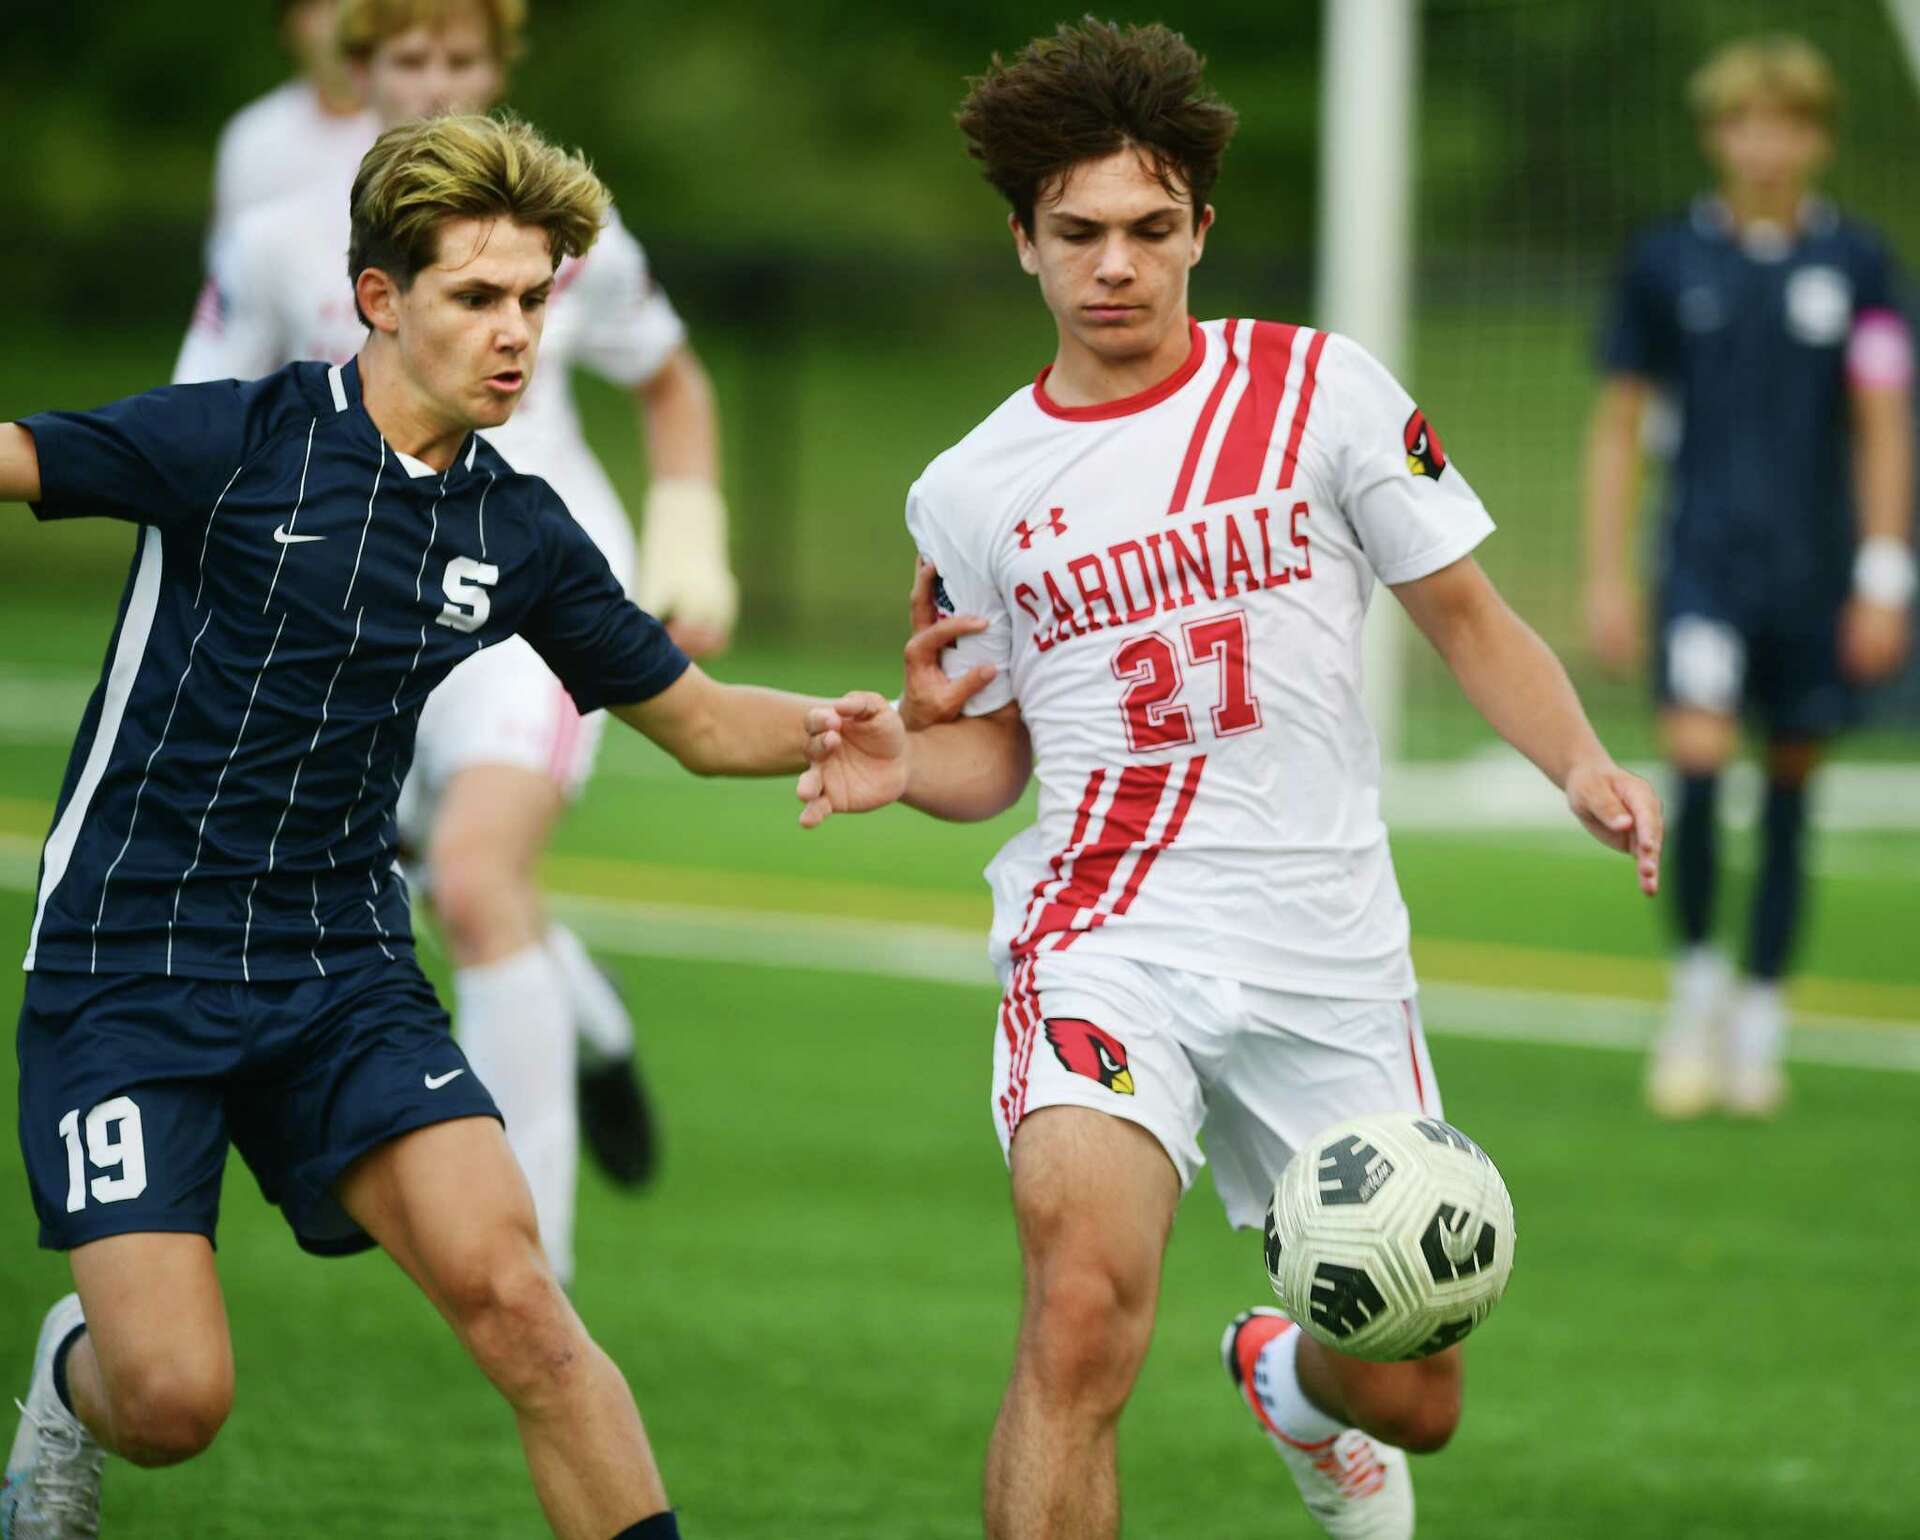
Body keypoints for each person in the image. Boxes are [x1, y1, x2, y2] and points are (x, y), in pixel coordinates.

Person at [796, 21, 1662, 1540]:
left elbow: (1467, 617)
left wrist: (1581, 763)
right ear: (1025, 244)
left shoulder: (1322, 393)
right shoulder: (972, 488)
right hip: (1105, 937)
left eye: (1147, 230)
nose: (1114, 266)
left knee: (1416, 1396)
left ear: (1200, 225)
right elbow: (992, 754)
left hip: (1327, 945)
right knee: (1078, 1316)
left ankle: (1304, 1392)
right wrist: (903, 764)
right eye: (1077, 235)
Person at [0, 111, 894, 1540]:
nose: (516, 334)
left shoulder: (519, 529)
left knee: (521, 1305)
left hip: (339, 974)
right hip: (127, 964)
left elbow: (704, 719)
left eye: (535, 299)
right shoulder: (234, 439)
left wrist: (864, 735)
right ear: (381, 298)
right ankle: (68, 1376)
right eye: (477, 296)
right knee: (171, 1402)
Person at [177, 0, 742, 1275]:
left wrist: (687, 542)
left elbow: (671, 379)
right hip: (341, 621)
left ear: (501, 69)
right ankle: (580, 1010)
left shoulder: (558, 233)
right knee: (421, 886)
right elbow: (202, 420)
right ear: (357, 66)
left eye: (463, 59)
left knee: (479, 883)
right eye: (410, 58)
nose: (436, 81)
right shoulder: (276, 239)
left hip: (519, 607)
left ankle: (524, 1259)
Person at [1582, 34, 1914, 1120]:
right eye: (1744, 123)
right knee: (1697, 767)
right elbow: (1618, 422)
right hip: (1703, 567)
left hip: (1814, 578)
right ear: (1717, 135)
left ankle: (1762, 1019)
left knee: (1789, 791)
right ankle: (1694, 999)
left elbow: (1881, 422)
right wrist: (1608, 576)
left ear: (1816, 137)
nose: (1764, 144)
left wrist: (1882, 574)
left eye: (1786, 123)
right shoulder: (1669, 261)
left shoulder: (1859, 266)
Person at [201, 0, 379, 262]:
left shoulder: (412, 128)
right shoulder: (251, 138)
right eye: (320, 6)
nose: (340, 20)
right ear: (289, 26)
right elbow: (228, 265)